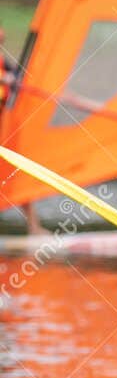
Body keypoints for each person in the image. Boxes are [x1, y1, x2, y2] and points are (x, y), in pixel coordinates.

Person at [0, 25, 44, 236]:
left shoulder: (4, 63)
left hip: (6, 133)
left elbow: (21, 79)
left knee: (20, 175)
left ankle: (34, 228)